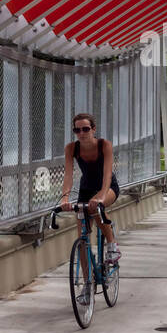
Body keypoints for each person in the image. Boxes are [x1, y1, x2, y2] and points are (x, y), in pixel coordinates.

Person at [59, 112, 122, 264]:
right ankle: (88, 284)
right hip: (85, 189)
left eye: (85, 129)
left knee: (94, 207)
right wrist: (65, 197)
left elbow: (107, 175)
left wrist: (101, 195)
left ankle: (112, 244)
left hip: (108, 188)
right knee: (82, 240)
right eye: (77, 130)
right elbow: (68, 175)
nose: (81, 133)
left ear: (93, 129)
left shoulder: (104, 145)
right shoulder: (71, 148)